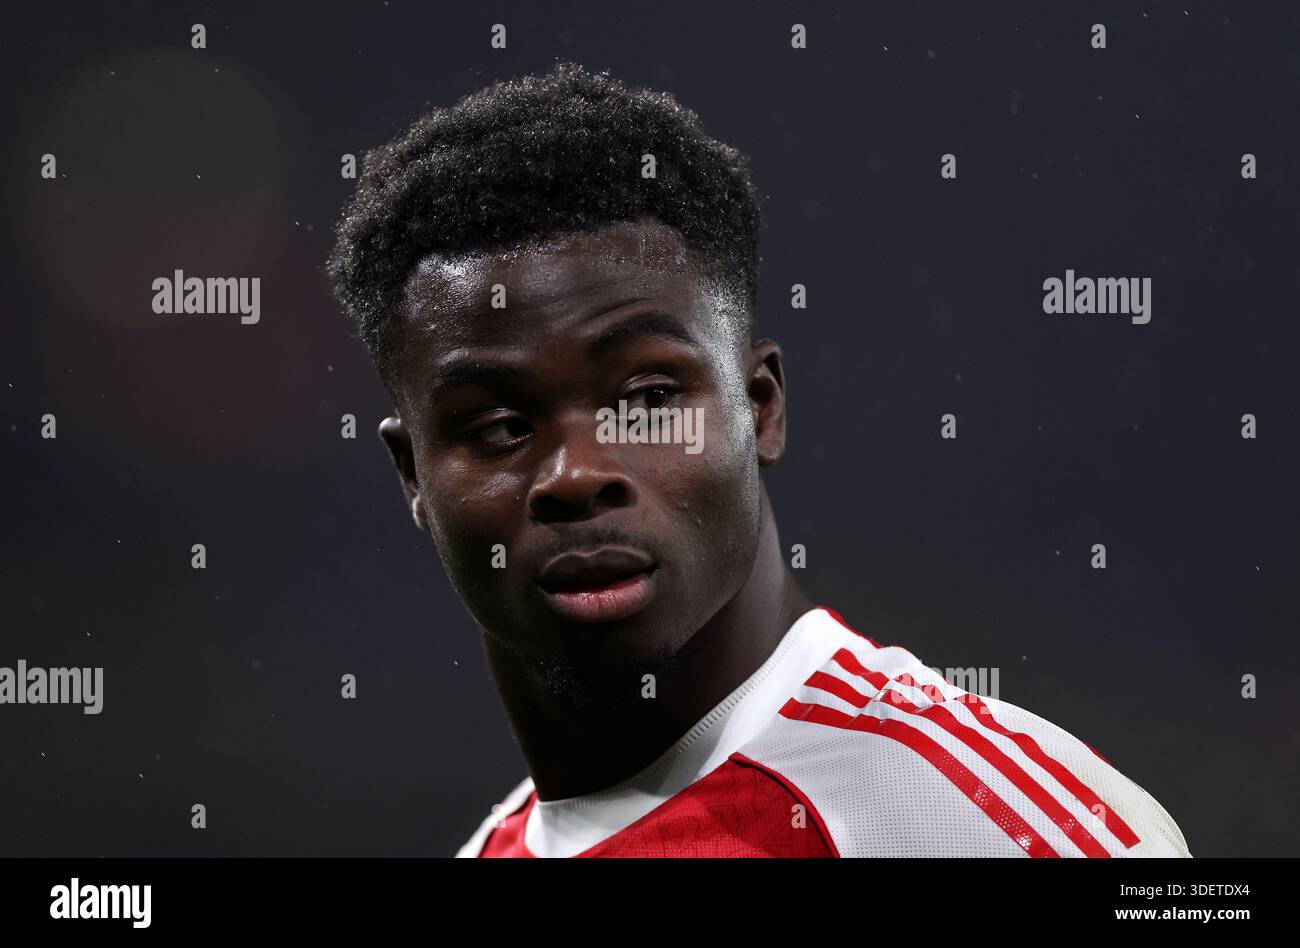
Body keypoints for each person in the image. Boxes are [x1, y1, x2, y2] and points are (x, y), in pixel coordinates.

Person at [326, 62, 1190, 858]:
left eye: (650, 400)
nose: (575, 475)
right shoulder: (493, 850)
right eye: (500, 426)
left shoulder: (969, 821)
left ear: (760, 408)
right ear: (415, 477)